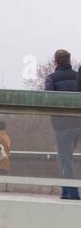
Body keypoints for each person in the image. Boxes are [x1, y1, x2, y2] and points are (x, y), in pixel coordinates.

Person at [43, 49, 81, 200]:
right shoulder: (77, 76)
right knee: (67, 158)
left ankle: (72, 193)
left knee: (65, 159)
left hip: (62, 125)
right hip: (78, 123)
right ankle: (66, 191)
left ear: (55, 62)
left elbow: (47, 100)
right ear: (69, 61)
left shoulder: (51, 78)